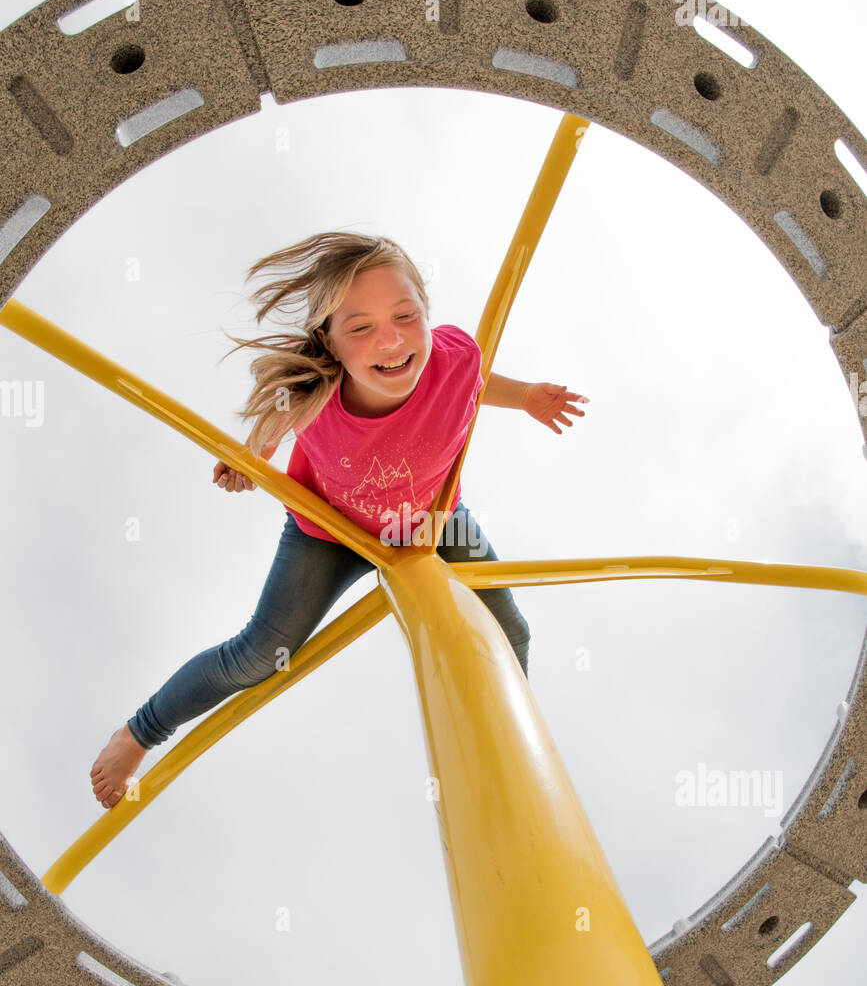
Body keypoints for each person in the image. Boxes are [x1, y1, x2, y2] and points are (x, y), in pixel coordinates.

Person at [90, 231, 588, 810]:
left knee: (513, 632)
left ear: (426, 313)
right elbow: (266, 433)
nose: (392, 338)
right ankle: (139, 731)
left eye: (406, 315)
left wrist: (526, 395)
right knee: (259, 653)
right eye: (360, 328)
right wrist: (249, 462)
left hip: (433, 519)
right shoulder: (312, 392)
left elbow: (474, 384)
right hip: (330, 530)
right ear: (329, 343)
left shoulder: (458, 356)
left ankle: (506, 762)